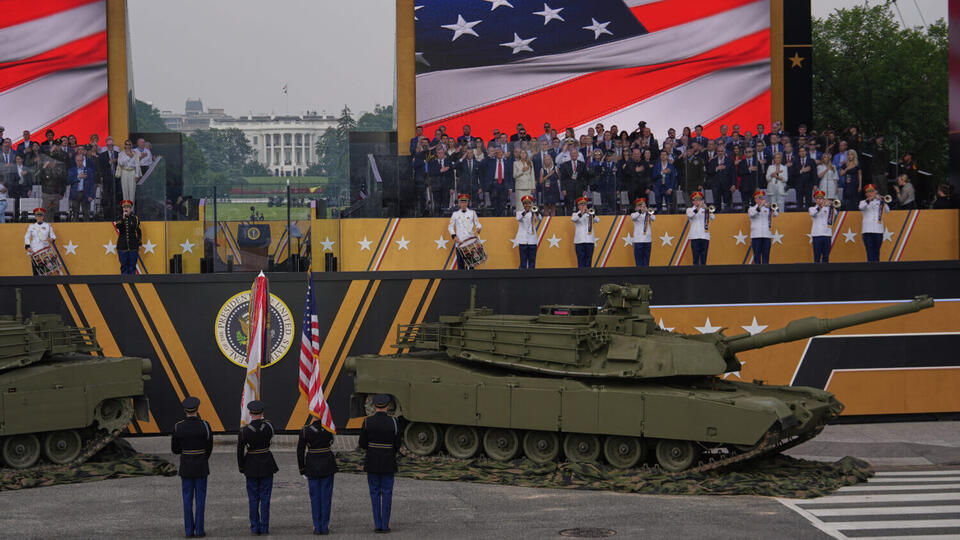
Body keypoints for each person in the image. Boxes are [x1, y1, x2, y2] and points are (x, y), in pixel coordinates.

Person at [359, 394, 402, 534]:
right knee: (387, 493)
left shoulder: (367, 422)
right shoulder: (394, 422)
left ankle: (377, 524)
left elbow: (362, 444)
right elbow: (397, 444)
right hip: (388, 460)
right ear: (388, 406)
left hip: (372, 460)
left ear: (374, 406)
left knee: (374, 493)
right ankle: (385, 525)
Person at [171, 396, 213, 539]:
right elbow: (209, 448)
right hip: (201, 465)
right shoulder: (205, 425)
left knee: (187, 499)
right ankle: (200, 531)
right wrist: (201, 457)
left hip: (186, 466)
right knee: (200, 500)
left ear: (185, 410)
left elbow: (175, 450)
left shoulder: (178, 426)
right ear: (197, 409)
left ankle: (189, 531)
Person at [238, 400, 279, 536]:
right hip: (266, 463)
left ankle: (255, 527)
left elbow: (239, 452)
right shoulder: (269, 427)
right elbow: (269, 426)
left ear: (249, 413)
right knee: (265, 498)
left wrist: (242, 467)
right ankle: (265, 527)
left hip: (251, 465)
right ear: (262, 413)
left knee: (253, 498)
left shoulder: (244, 432)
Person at [297, 416, 338, 536]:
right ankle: (324, 527)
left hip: (312, 465)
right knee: (326, 497)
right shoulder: (329, 428)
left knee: (315, 497)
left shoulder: (306, 430)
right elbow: (331, 441)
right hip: (327, 464)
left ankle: (317, 526)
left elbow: (300, 450)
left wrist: (302, 468)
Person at [447, 194, 482, 270]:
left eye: (465, 202)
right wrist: (454, 236)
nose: (463, 204)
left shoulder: (472, 213)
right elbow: (450, 227)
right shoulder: (455, 214)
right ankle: (461, 282)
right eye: (462, 202)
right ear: (459, 203)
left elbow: (478, 224)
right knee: (460, 266)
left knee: (471, 264)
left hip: (470, 243)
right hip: (460, 243)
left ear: (467, 203)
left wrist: (479, 228)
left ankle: (471, 282)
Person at [859, 184, 889, 262]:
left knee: (876, 252)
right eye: (868, 192)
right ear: (866, 194)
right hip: (867, 230)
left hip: (878, 230)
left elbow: (887, 211)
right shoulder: (863, 202)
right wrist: (869, 200)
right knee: (869, 251)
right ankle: (870, 270)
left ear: (876, 192)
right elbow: (861, 207)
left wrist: (883, 201)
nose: (870, 193)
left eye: (872, 191)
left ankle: (876, 270)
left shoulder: (880, 202)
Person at [747, 190, 778, 264]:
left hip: (766, 235)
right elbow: (752, 214)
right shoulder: (751, 208)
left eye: (762, 198)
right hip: (756, 235)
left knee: (766, 256)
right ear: (755, 199)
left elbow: (776, 214)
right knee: (757, 256)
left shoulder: (767, 208)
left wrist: (771, 208)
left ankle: (766, 273)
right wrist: (760, 205)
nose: (761, 200)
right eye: (759, 198)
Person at [24, 208, 56, 275]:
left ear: (43, 216)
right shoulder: (31, 226)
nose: (39, 217)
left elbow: (53, 236)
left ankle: (46, 285)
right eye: (37, 216)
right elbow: (26, 237)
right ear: (35, 217)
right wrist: (28, 246)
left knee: (46, 271)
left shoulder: (48, 226)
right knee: (35, 271)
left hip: (45, 251)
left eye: (41, 216)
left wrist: (52, 239)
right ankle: (36, 284)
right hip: (34, 251)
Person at [685, 192, 714, 265]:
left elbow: (713, 217)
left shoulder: (706, 210)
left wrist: (707, 209)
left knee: (704, 258)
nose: (698, 201)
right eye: (696, 200)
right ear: (693, 201)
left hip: (705, 236)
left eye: (699, 200)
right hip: (695, 236)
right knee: (695, 258)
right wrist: (698, 207)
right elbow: (690, 215)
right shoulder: (689, 209)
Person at [571, 196, 598, 268]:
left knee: (588, 261)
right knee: (581, 261)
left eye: (584, 205)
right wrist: (582, 213)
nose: (583, 206)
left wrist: (591, 213)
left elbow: (597, 220)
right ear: (578, 206)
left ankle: (588, 278)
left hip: (589, 240)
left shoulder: (590, 214)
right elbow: (574, 219)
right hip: (579, 241)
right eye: (581, 205)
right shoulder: (575, 214)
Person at [67, 154, 95, 222]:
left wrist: (91, 195)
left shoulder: (89, 170)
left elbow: (92, 184)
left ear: (83, 160)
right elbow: (68, 181)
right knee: (75, 214)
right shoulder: (72, 170)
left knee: (86, 214)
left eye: (80, 160)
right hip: (75, 194)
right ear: (75, 161)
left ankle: (87, 231)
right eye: (78, 160)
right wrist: (78, 177)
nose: (79, 162)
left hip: (86, 194)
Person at [116, 200, 142, 275]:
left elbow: (139, 232)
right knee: (124, 266)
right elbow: (118, 226)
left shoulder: (135, 219)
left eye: (127, 207)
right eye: (124, 207)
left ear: (130, 208)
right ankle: (125, 284)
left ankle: (132, 284)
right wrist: (123, 219)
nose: (126, 209)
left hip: (133, 246)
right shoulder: (119, 218)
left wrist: (139, 243)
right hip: (122, 246)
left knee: (132, 266)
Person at [809, 190, 835, 263]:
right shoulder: (812, 208)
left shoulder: (829, 208)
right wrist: (821, 206)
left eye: (821, 198)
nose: (820, 200)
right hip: (817, 235)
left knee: (826, 256)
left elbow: (834, 214)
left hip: (827, 234)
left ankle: (826, 273)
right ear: (815, 200)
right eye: (818, 198)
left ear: (824, 199)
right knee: (817, 256)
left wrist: (831, 205)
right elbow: (813, 213)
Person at [515, 195, 539, 269]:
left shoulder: (533, 213)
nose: (527, 205)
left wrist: (535, 212)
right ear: (523, 205)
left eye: (528, 203)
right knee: (523, 262)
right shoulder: (520, 213)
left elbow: (539, 219)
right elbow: (518, 218)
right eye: (525, 203)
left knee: (532, 261)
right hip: (523, 240)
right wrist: (526, 211)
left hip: (532, 240)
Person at [630, 198, 654, 266]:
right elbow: (633, 217)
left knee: (646, 259)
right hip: (638, 240)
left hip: (648, 239)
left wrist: (648, 210)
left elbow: (654, 218)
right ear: (636, 207)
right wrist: (640, 211)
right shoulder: (634, 213)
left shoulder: (649, 212)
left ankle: (646, 274)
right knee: (639, 259)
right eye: (640, 205)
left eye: (643, 205)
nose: (642, 207)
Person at [117, 140, 140, 206]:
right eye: (126, 144)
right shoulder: (121, 154)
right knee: (125, 190)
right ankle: (126, 209)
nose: (128, 146)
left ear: (131, 145)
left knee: (132, 191)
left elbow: (137, 165)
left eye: (129, 144)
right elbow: (120, 163)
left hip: (132, 172)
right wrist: (128, 156)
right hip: (124, 172)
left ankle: (132, 210)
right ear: (125, 145)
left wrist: (137, 175)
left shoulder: (135, 153)